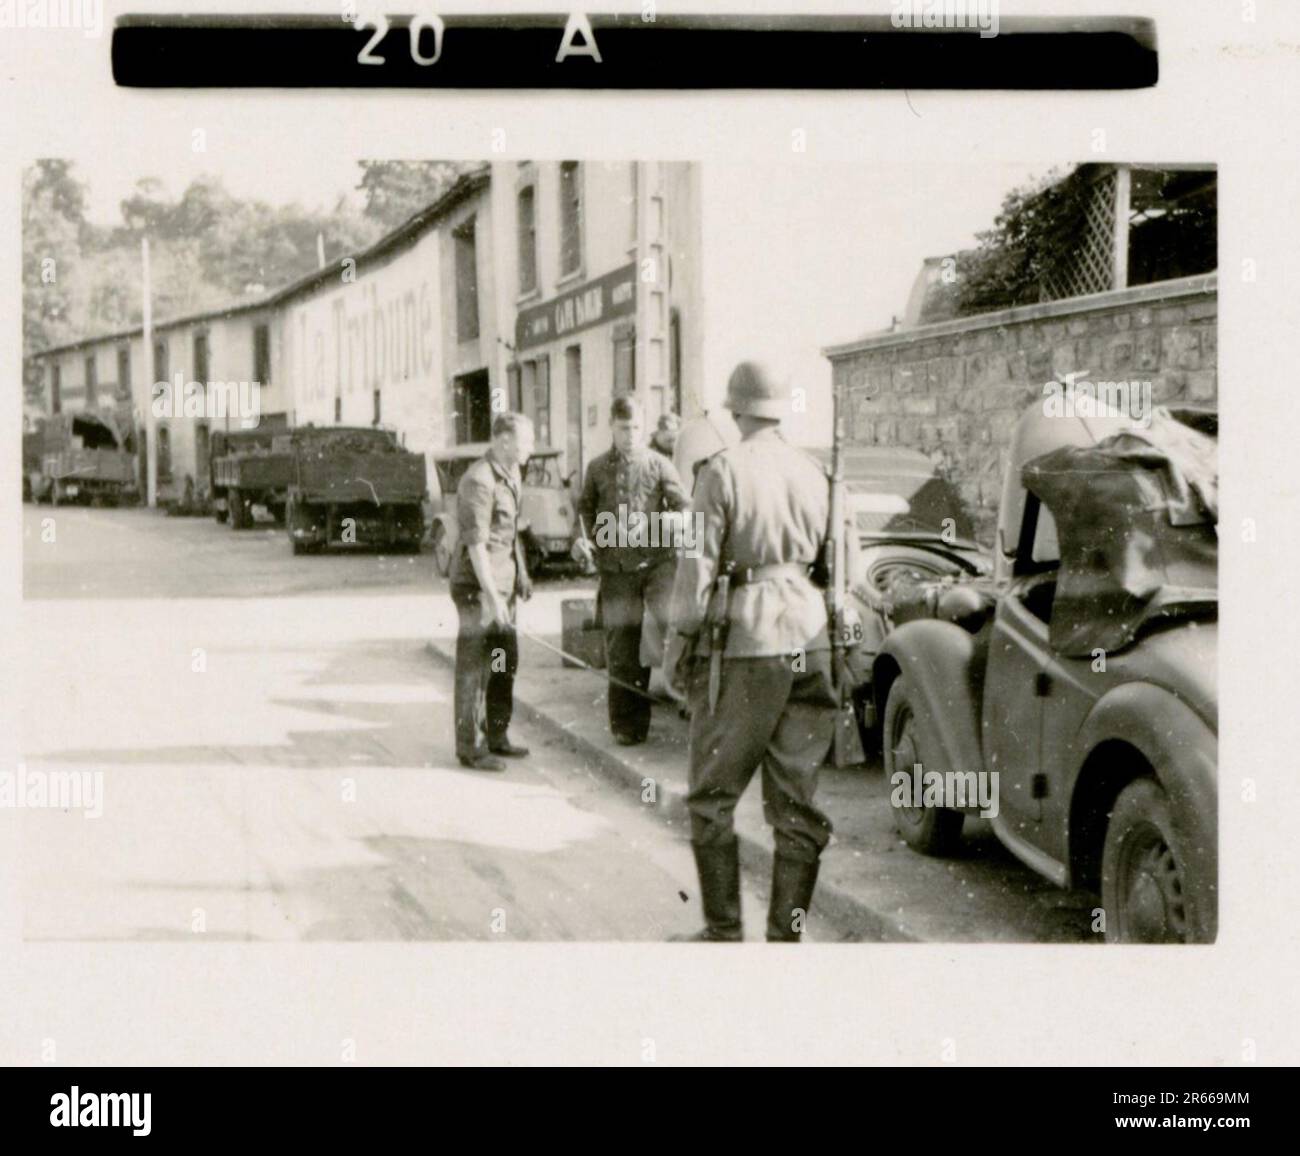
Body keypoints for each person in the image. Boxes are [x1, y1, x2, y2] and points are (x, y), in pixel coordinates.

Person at [666, 362, 837, 943]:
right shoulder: (818, 472)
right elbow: (843, 567)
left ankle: (724, 933)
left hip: (746, 644)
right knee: (797, 805)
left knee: (711, 798)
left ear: (736, 409)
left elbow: (696, 569)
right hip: (811, 641)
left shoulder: (721, 471)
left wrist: (677, 648)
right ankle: (785, 941)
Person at [574, 395, 690, 745]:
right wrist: (582, 541)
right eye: (624, 428)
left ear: (645, 428)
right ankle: (628, 727)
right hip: (616, 570)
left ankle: (696, 710)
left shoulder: (660, 465)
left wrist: (662, 523)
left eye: (636, 428)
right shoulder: (596, 468)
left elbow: (686, 509)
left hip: (659, 566)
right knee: (622, 649)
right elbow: (585, 513)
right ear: (611, 426)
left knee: (678, 631)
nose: (630, 435)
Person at [448, 412, 535, 771]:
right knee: (475, 668)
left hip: (503, 585)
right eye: (526, 441)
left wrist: (521, 575)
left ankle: (496, 734)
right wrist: (493, 597)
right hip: (477, 588)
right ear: (504, 440)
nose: (530, 448)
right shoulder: (479, 481)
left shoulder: (512, 474)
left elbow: (510, 535)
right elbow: (477, 546)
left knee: (503, 660)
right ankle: (469, 748)